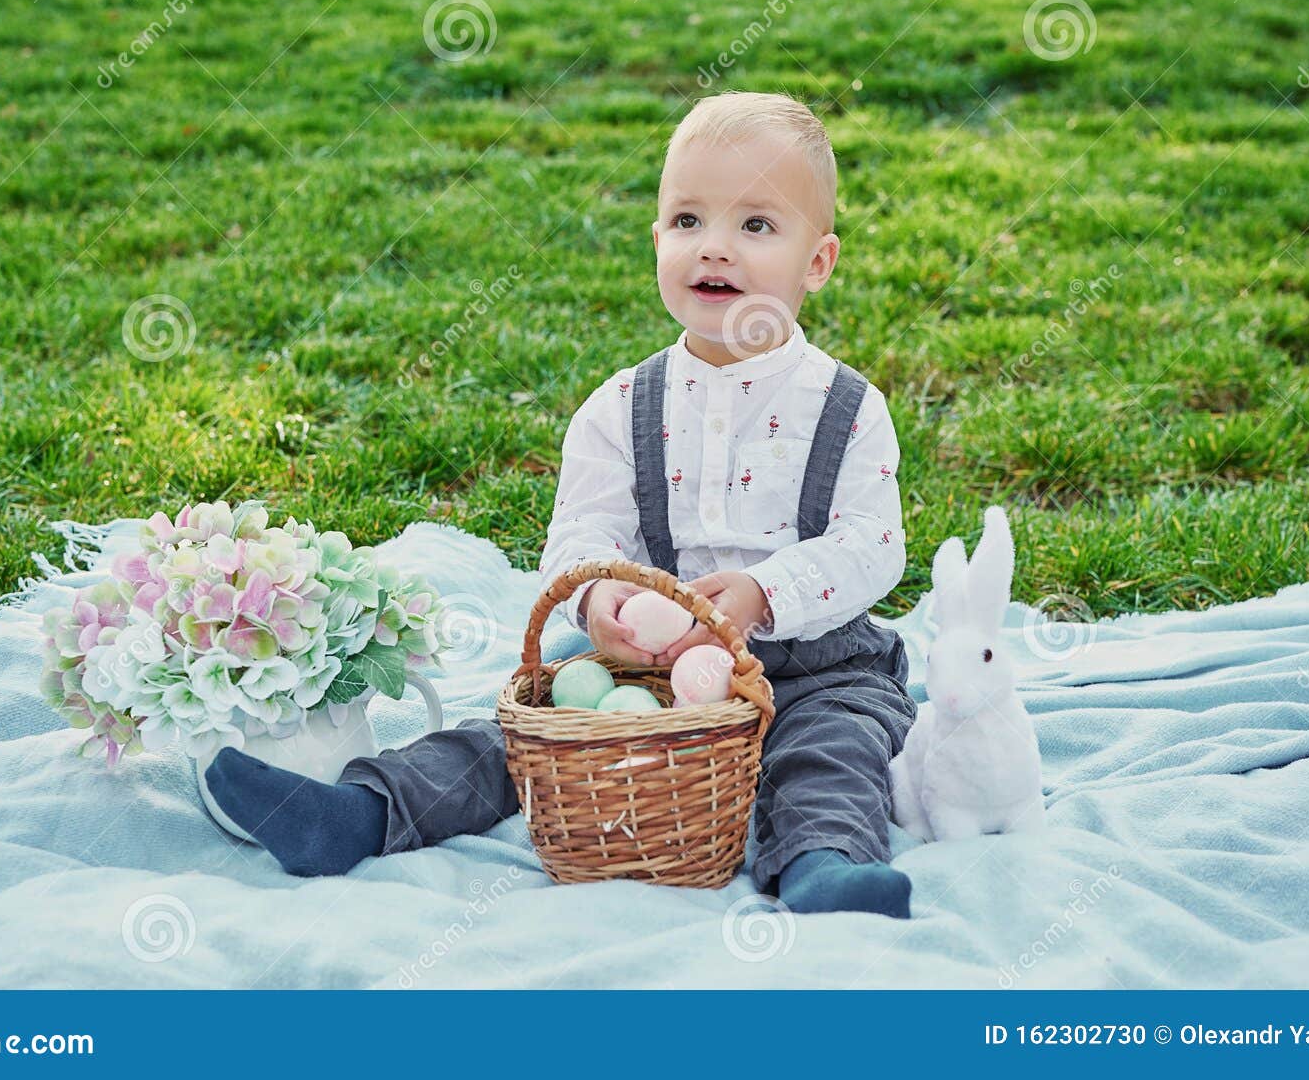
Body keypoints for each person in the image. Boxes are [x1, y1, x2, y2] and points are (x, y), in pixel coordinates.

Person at [206, 91, 918, 917]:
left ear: (818, 262)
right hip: (640, 667)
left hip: (814, 669)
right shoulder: (623, 405)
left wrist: (766, 592)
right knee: (524, 732)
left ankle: (820, 864)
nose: (714, 247)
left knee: (833, 752)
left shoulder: (846, 405)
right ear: (656, 239)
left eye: (756, 226)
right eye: (688, 220)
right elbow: (584, 527)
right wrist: (599, 593)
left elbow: (874, 542)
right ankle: (361, 813)